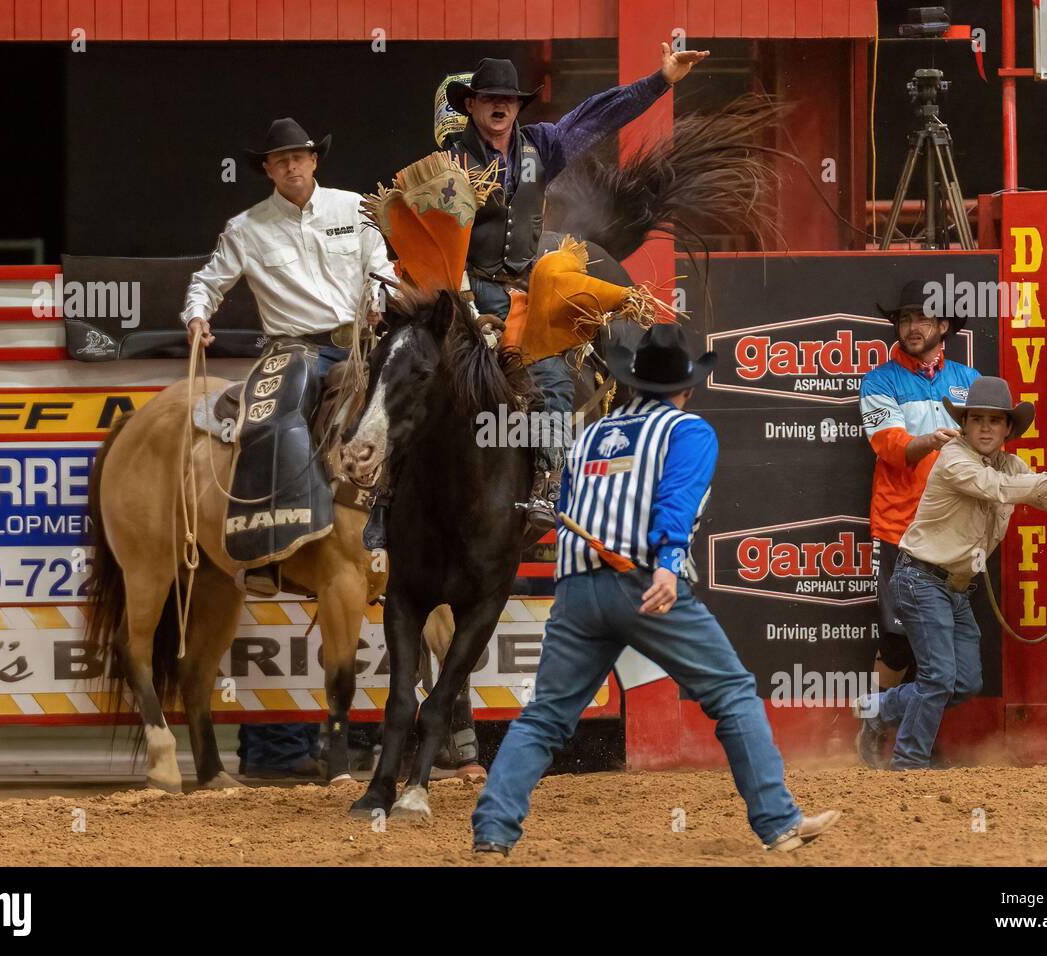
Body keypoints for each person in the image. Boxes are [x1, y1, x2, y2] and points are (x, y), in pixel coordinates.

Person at [470, 323, 841, 855]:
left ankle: (493, 832)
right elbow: (678, 501)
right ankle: (778, 822)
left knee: (546, 715)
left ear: (631, 382)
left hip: (576, 589)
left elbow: (569, 506)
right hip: (642, 582)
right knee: (733, 694)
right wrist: (669, 564)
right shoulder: (688, 431)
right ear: (685, 388)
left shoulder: (590, 435)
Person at [361, 45, 710, 548]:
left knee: (550, 376)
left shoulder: (540, 146)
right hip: (463, 290)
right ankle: (386, 499)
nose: (499, 106)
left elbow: (599, 115)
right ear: (472, 105)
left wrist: (661, 79)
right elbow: (424, 231)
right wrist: (459, 299)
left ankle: (548, 481)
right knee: (411, 373)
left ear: (518, 105)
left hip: (524, 290)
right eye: (489, 98)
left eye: (508, 98)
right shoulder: (449, 162)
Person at [180, 117, 388, 779]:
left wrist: (385, 299)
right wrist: (197, 313)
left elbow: (382, 266)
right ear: (267, 170)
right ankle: (280, 545)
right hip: (292, 350)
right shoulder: (246, 228)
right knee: (276, 427)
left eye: (299, 157)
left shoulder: (354, 208)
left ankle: (403, 528)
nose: (292, 168)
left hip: (356, 341)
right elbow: (206, 281)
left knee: (414, 405)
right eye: (280, 161)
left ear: (312, 160)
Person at [853, 377, 1047, 771]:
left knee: (963, 683)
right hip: (921, 579)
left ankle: (879, 709)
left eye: (994, 421)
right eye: (978, 420)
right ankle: (908, 762)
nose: (986, 428)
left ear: (1007, 429)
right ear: (965, 425)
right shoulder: (954, 458)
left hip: (953, 587)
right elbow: (999, 488)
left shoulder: (1010, 464)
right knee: (938, 678)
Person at [860, 279, 979, 690]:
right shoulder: (879, 381)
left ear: (943, 325)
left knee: (943, 638)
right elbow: (889, 445)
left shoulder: (970, 380)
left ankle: (918, 728)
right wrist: (932, 441)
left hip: (957, 528)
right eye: (905, 318)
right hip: (902, 527)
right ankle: (876, 727)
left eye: (923, 317)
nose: (912, 326)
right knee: (898, 639)